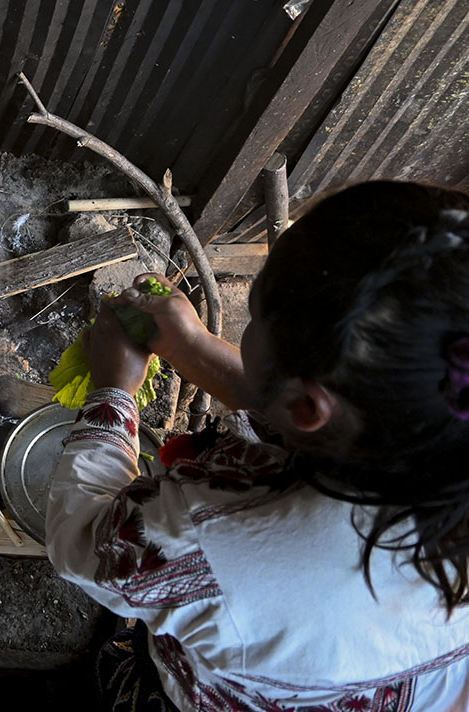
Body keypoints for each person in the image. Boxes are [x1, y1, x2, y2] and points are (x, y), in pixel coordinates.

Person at [45, 181, 469, 711]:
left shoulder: (214, 546)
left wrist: (113, 392)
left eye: (258, 311)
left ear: (309, 407)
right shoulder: (434, 438)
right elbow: (316, 422)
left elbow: (81, 541)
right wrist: (192, 349)